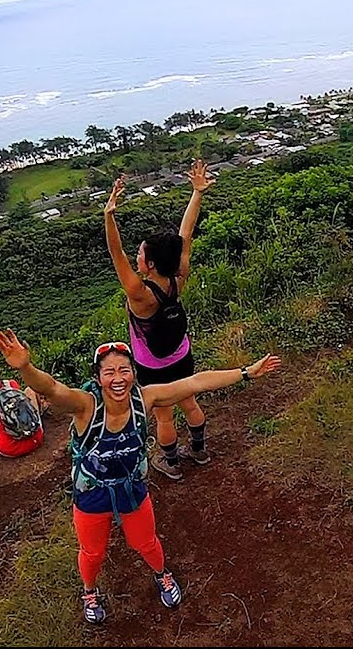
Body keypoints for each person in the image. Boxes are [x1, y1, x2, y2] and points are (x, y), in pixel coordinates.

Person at [0, 328, 282, 624]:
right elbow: (52, 389)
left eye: (124, 370)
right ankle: (90, 592)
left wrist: (245, 372)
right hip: (92, 493)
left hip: (131, 488)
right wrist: (26, 368)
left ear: (134, 373)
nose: (118, 378)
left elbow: (195, 382)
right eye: (109, 372)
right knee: (92, 553)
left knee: (146, 542)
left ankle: (161, 575)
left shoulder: (145, 400)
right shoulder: (85, 406)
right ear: (98, 377)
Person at [103, 158, 213, 481]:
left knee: (164, 416)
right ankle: (200, 450)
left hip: (152, 364)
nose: (136, 256)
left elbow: (115, 253)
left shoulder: (139, 292)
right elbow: (186, 233)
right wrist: (197, 192)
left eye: (140, 253)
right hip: (182, 352)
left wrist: (109, 216)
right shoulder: (180, 275)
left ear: (149, 263)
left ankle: (171, 463)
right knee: (189, 400)